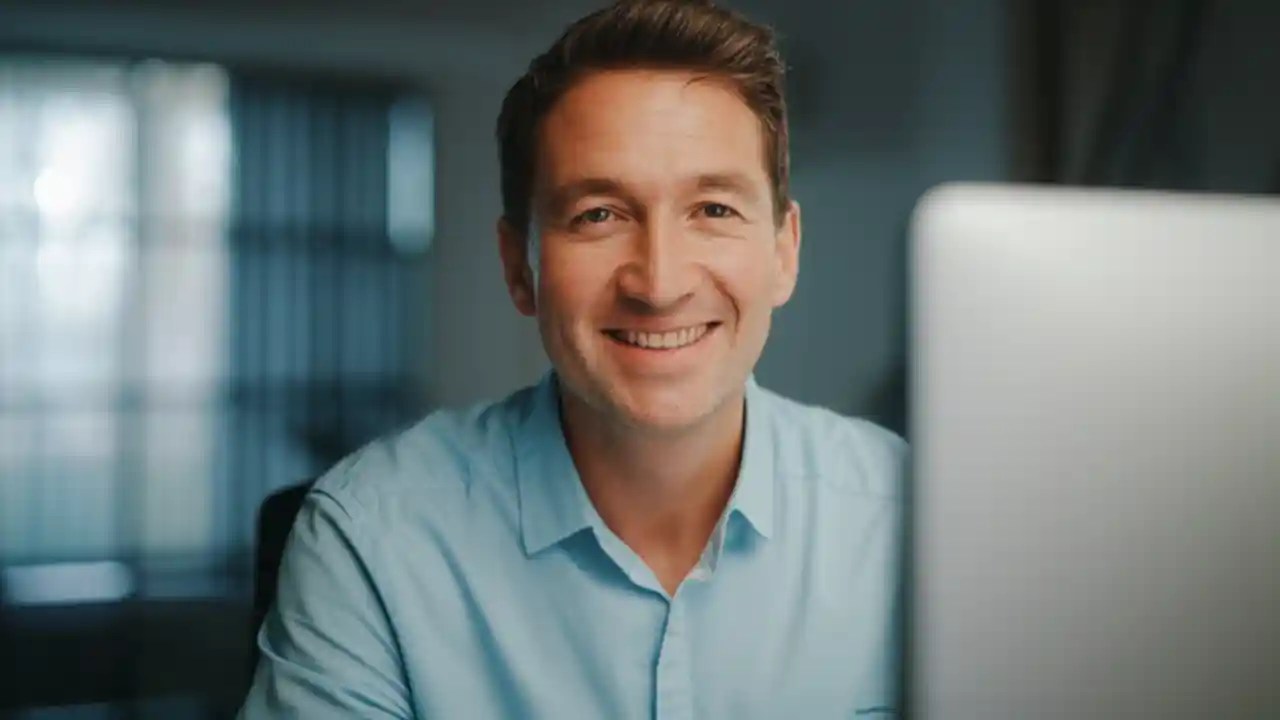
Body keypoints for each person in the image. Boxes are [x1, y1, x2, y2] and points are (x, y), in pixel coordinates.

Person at [239, 0, 907, 717]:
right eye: (599, 215)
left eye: (714, 209)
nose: (659, 283)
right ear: (518, 266)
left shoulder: (915, 520)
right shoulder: (369, 537)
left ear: (784, 251)